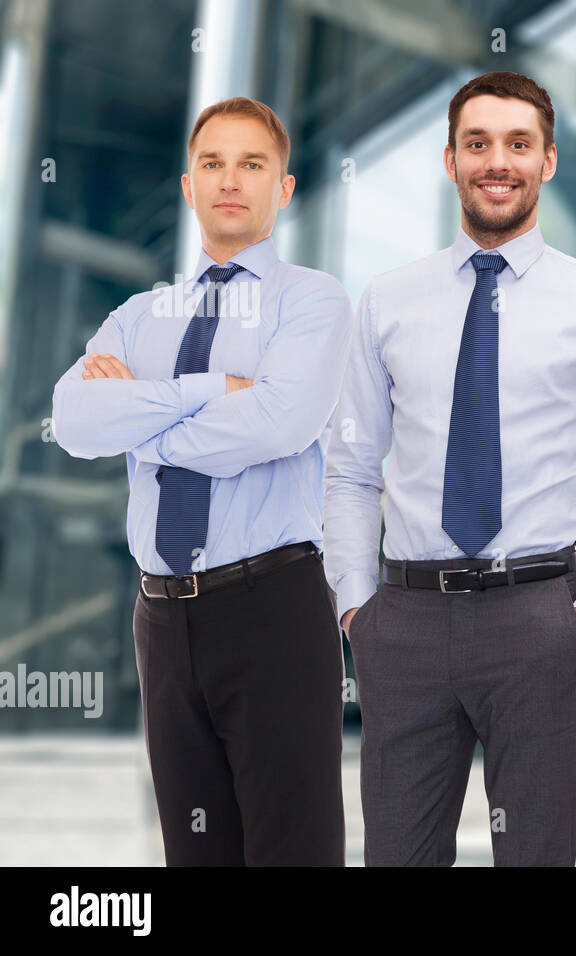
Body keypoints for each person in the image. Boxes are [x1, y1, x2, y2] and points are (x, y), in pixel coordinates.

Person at [323, 71, 576, 867]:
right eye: (478, 144)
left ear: (548, 160)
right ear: (449, 159)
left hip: (536, 619)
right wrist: (357, 610)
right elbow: (349, 469)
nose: (499, 161)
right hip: (405, 621)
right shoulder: (387, 301)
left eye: (518, 144)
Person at [51, 97, 351, 865]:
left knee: (291, 852)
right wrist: (210, 391)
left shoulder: (311, 301)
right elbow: (78, 424)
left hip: (272, 608)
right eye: (213, 164)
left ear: (282, 190)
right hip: (160, 618)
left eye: (253, 164)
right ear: (188, 187)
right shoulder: (138, 313)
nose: (230, 181)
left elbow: (279, 422)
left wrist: (140, 422)